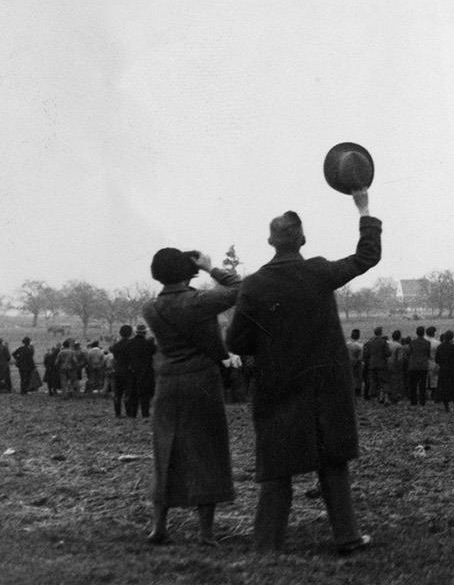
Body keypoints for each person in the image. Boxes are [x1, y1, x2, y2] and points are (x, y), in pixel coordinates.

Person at [224, 187, 381, 554]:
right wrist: (363, 208)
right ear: (303, 239)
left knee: (277, 469)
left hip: (275, 386)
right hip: (325, 384)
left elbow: (236, 343)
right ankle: (346, 536)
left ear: (269, 241)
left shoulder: (254, 285)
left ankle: (267, 543)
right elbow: (367, 255)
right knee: (333, 462)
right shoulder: (319, 272)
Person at [142, 247, 241, 546]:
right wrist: (211, 268)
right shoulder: (200, 302)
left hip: (167, 383)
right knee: (207, 451)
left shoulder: (150, 308)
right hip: (201, 380)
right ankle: (205, 533)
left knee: (165, 451)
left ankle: (159, 527)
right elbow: (241, 288)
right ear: (189, 271)